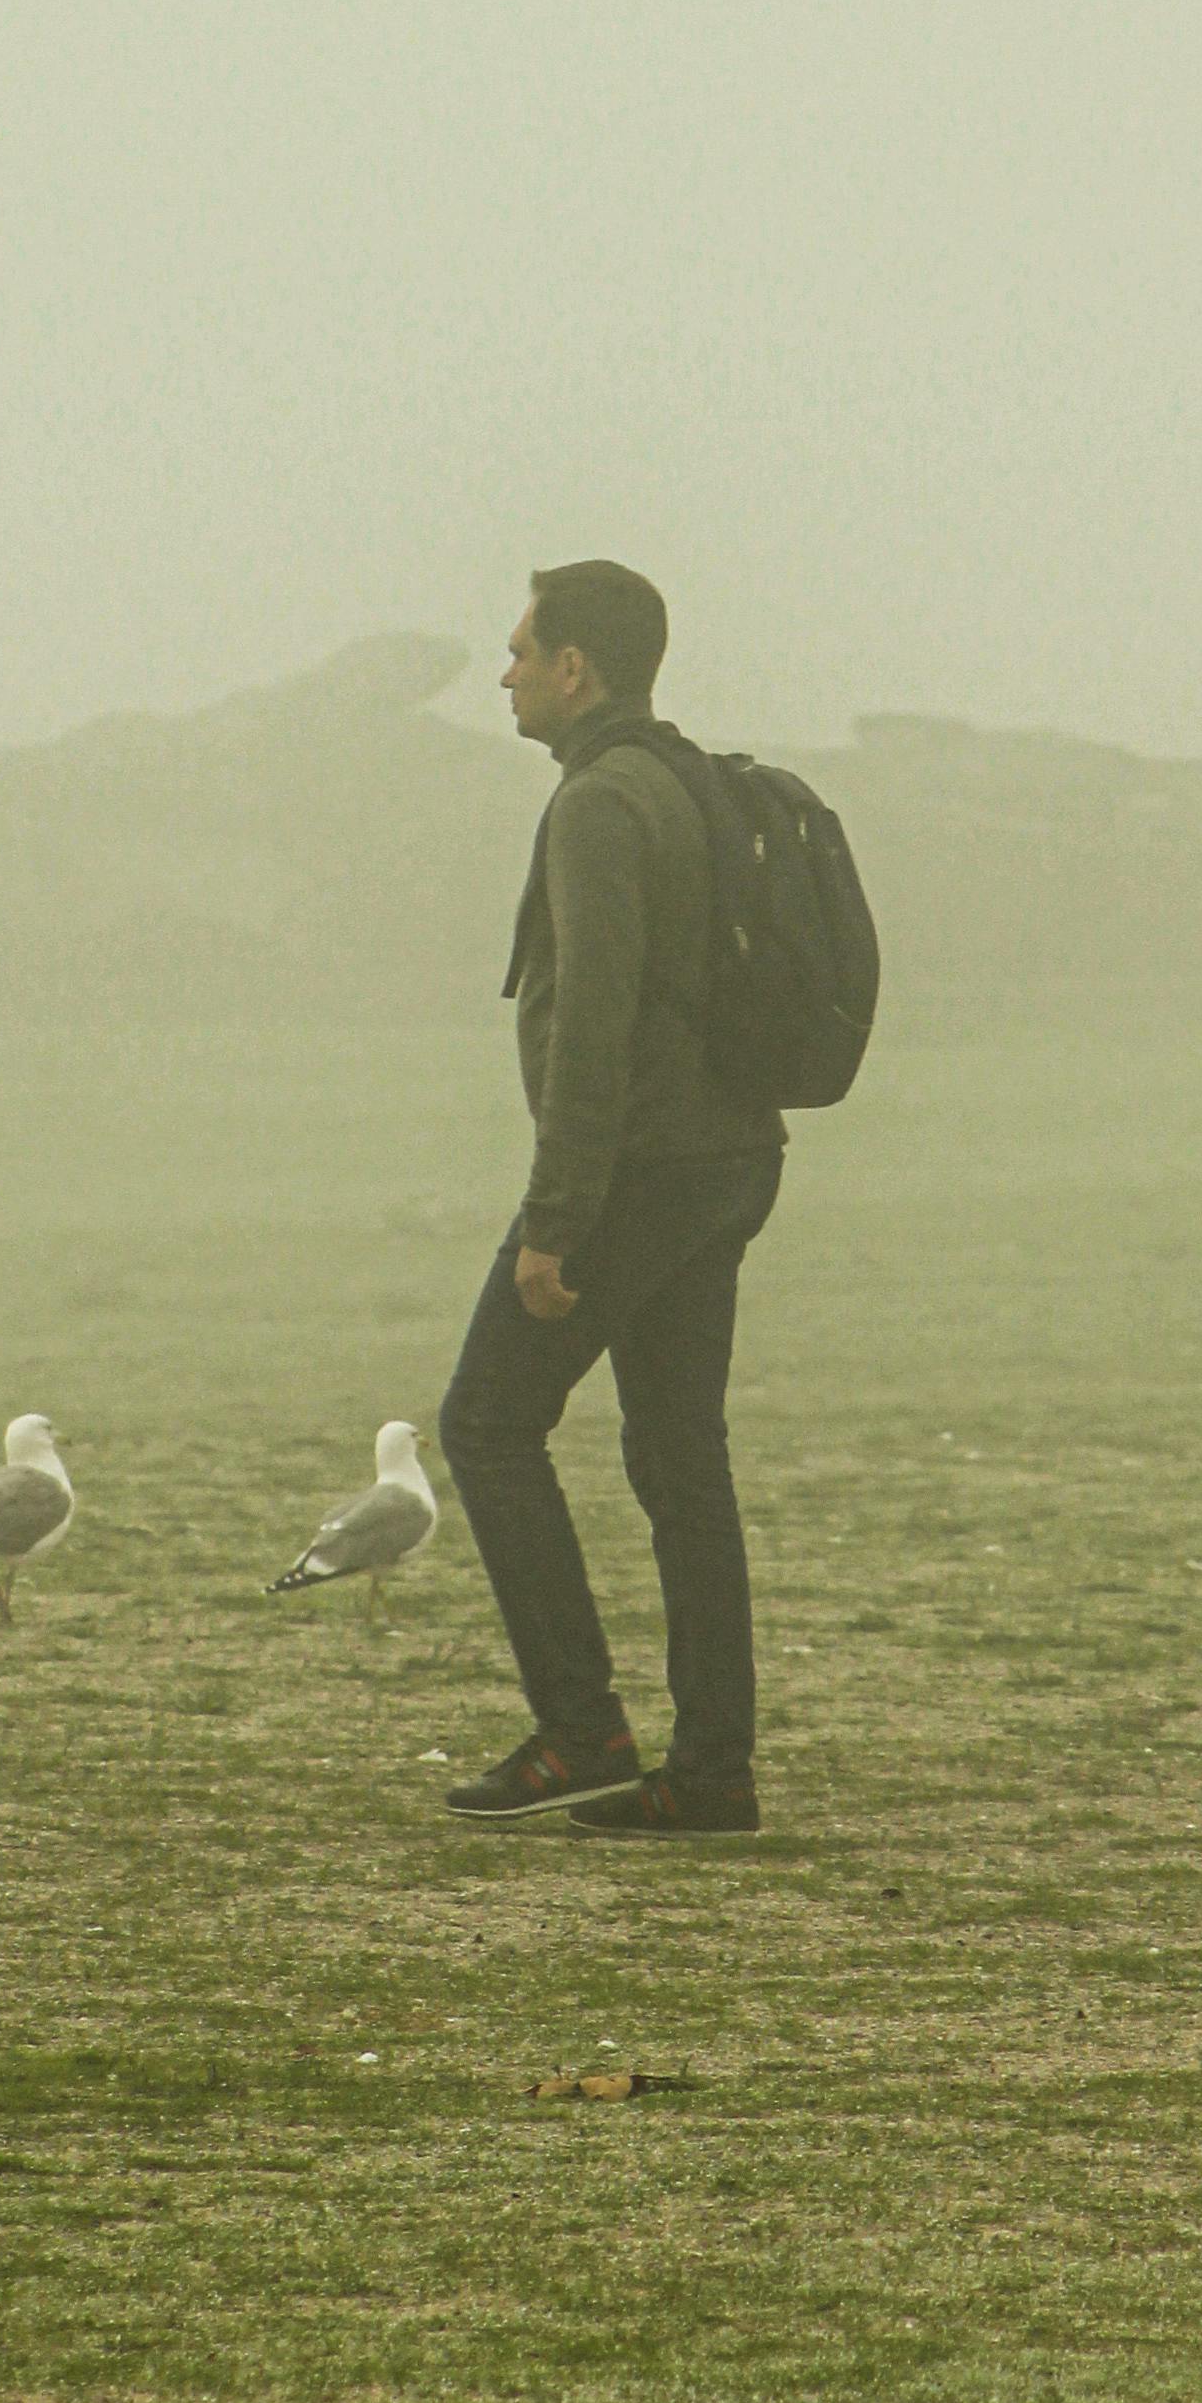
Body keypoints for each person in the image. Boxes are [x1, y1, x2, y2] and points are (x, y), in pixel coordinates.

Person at [437, 559, 783, 1836]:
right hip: (731, 1160)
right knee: (682, 1459)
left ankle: (581, 1735)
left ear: (576, 668)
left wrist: (554, 1220)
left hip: (639, 1173)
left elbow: (592, 1031)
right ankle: (713, 1773)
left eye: (523, 651)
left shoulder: (597, 807)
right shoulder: (691, 779)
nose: (509, 672)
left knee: (484, 1424)